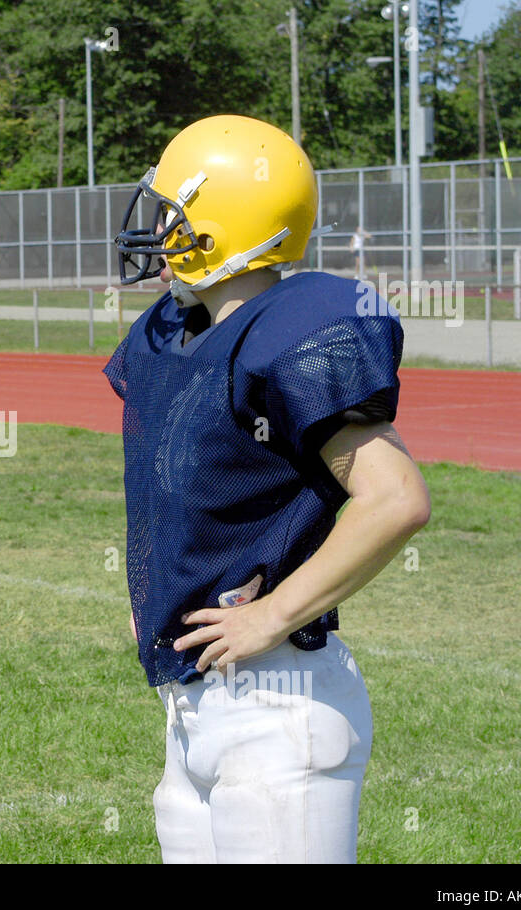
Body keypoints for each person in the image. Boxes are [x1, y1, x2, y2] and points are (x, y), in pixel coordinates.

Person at [107, 115, 430, 864]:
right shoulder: (172, 332)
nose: (156, 228)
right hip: (195, 703)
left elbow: (395, 497)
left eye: (173, 213)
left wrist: (272, 615)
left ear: (222, 223)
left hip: (277, 704)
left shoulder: (298, 325)